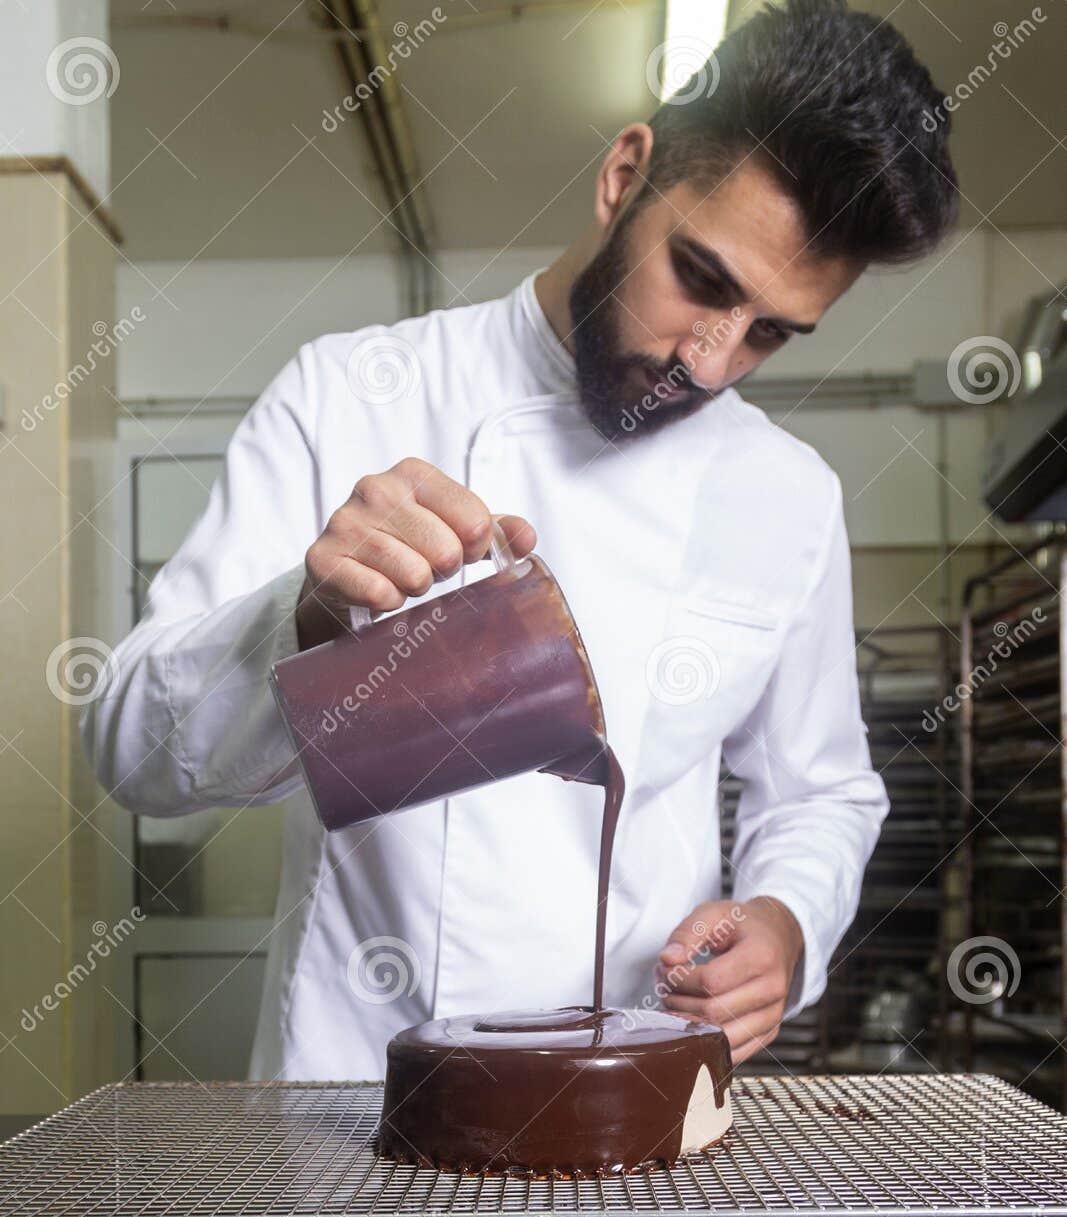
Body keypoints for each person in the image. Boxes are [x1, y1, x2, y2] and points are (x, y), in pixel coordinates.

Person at [83, 0, 958, 1083]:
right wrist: (305, 618)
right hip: (357, 1102)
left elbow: (819, 791)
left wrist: (782, 922)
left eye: (770, 331)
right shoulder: (347, 394)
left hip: (632, 1105)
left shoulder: (786, 495)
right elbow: (129, 752)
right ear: (621, 175)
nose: (710, 358)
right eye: (702, 278)